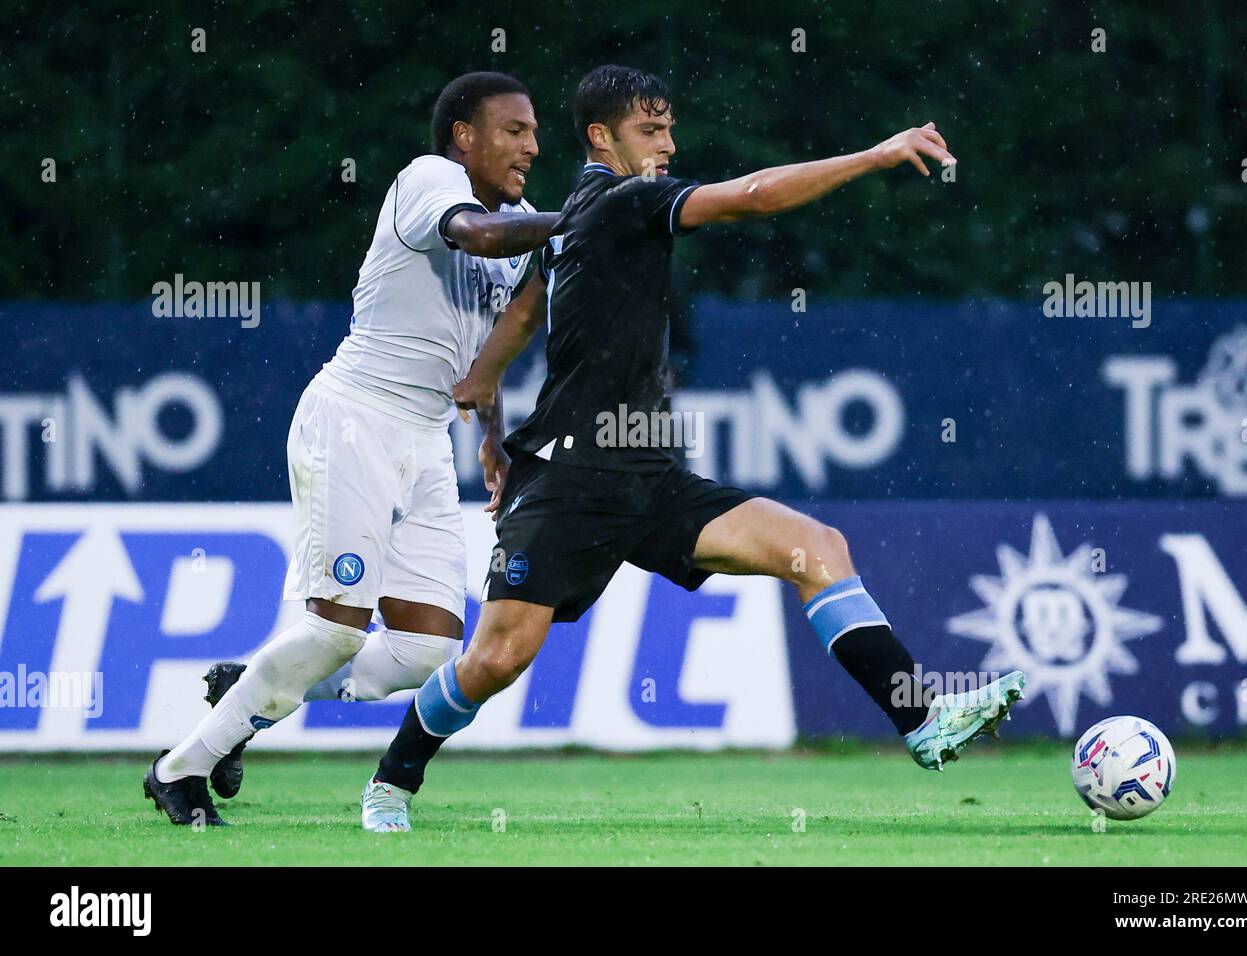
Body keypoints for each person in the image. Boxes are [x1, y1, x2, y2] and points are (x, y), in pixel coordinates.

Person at [358, 64, 1024, 833]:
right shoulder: (625, 200)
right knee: (498, 659)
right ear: (602, 137)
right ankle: (390, 783)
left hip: (648, 473)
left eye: (670, 128)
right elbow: (753, 195)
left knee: (814, 546)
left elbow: (522, 311)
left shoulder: (573, 213)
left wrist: (487, 406)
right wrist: (873, 157)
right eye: (651, 131)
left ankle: (922, 716)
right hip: (571, 479)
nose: (668, 145)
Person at [143, 71, 558, 826]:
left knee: (427, 648)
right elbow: (476, 234)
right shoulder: (432, 179)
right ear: (465, 135)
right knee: (336, 628)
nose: (532, 144)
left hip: (428, 437)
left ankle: (246, 690)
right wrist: (580, 217)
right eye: (514, 129)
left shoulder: (526, 219)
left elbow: (482, 352)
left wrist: (491, 441)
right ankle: (180, 769)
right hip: (355, 418)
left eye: (533, 131)